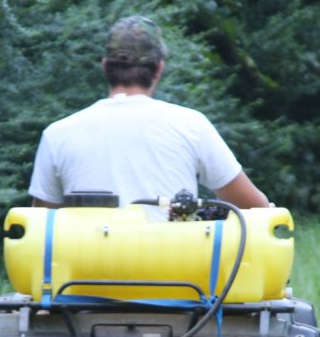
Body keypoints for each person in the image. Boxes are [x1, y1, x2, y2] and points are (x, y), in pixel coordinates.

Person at [28, 15, 270, 218]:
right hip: (177, 273)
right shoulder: (191, 125)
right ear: (159, 68)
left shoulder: (57, 134)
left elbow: (40, 230)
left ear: (105, 66)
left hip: (82, 274)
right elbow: (255, 207)